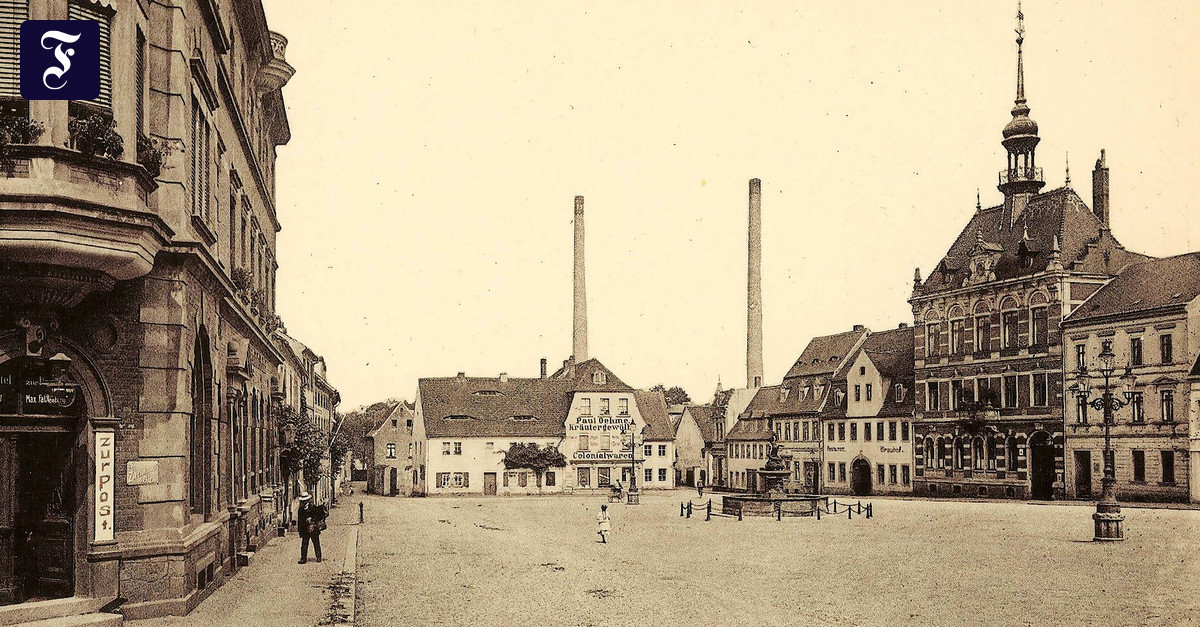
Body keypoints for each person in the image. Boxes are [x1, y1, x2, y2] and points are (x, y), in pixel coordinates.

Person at [297, 492, 327, 564]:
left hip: (314, 529)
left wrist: (312, 519)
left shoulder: (313, 508)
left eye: (305, 501)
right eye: (303, 501)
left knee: (316, 543)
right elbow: (300, 521)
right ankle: (303, 559)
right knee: (304, 544)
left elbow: (319, 516)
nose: (304, 502)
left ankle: (318, 557)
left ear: (307, 501)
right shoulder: (300, 510)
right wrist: (300, 531)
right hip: (305, 530)